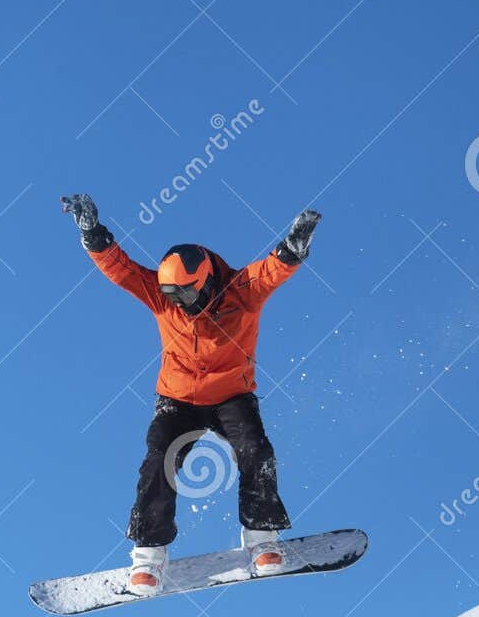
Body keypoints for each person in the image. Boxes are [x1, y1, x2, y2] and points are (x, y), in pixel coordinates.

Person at [59, 193, 321, 595]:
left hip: (232, 396)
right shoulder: (163, 299)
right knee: (159, 459)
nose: (178, 304)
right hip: (177, 400)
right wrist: (93, 234)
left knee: (255, 450)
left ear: (207, 281)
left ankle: (261, 538)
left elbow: (272, 270)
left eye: (185, 295)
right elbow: (121, 269)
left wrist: (293, 248)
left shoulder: (242, 292)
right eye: (171, 296)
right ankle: (149, 554)